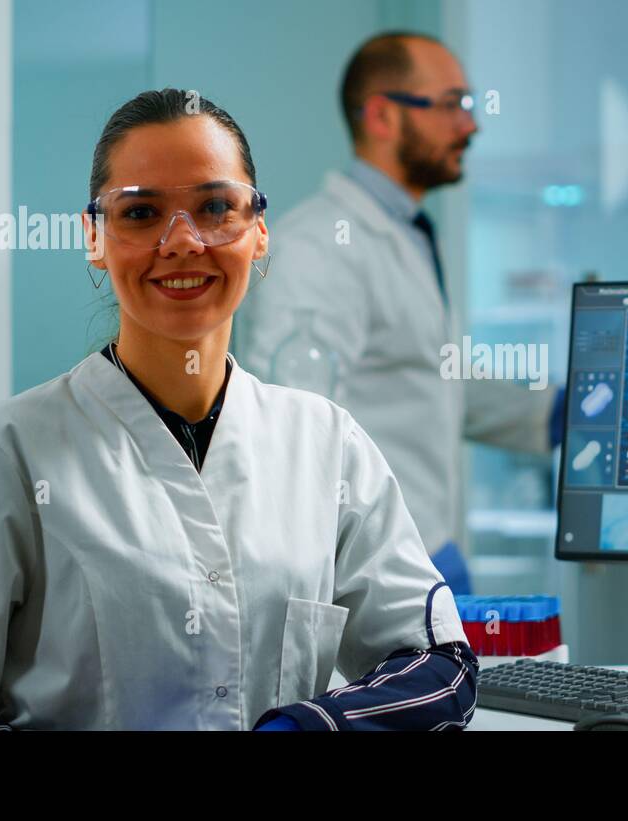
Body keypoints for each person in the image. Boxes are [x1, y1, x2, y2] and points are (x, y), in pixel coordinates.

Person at [0, 88, 476, 731]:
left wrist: (308, 728)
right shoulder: (1, 452)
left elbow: (441, 668)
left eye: (215, 207)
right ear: (94, 238)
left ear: (259, 231)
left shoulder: (327, 444)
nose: (183, 242)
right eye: (141, 213)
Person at [234, 32, 564, 594]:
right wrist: (393, 567)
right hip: (371, 578)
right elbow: (294, 432)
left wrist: (565, 411)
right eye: (453, 105)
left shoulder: (406, 233)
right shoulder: (320, 248)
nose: (471, 125)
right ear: (384, 116)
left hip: (424, 558)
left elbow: (429, 382)